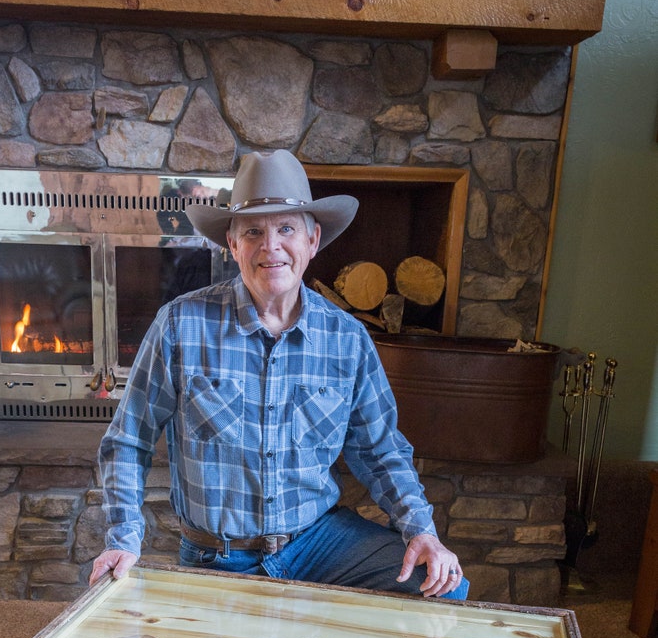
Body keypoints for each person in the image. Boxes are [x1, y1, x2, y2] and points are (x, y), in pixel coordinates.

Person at [90, 149, 468, 600]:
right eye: (253, 231)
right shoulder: (179, 325)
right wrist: (123, 538)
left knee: (445, 588)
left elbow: (380, 449)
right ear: (233, 245)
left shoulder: (347, 338)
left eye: (286, 229)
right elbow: (127, 440)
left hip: (319, 543)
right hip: (219, 554)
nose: (270, 246)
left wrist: (420, 530)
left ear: (312, 240)